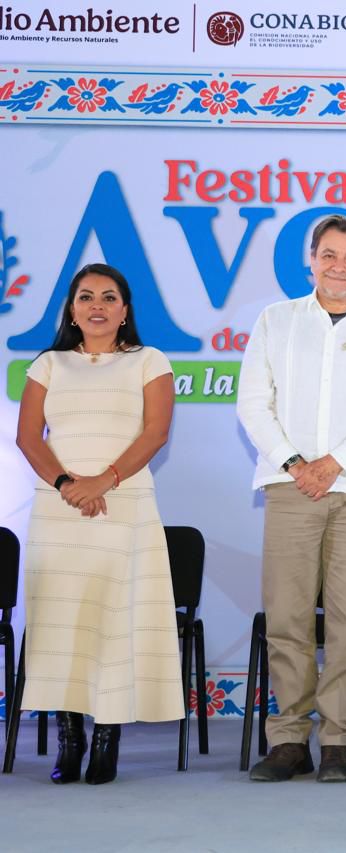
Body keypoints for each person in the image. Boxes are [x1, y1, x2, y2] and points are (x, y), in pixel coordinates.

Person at [237, 214, 346, 783]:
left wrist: (333, 464)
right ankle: (289, 741)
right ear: (310, 259)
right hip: (291, 488)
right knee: (287, 618)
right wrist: (296, 464)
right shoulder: (276, 321)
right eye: (329, 255)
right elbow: (253, 403)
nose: (339, 266)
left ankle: (338, 739)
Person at [14, 262, 183, 785]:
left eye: (109, 297)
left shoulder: (149, 361)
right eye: (86, 297)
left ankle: (107, 739)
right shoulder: (48, 364)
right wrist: (69, 484)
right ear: (71, 310)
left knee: (114, 620)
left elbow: (155, 433)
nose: (97, 306)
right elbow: (28, 437)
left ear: (125, 310)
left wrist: (103, 481)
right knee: (62, 623)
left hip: (123, 505)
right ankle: (70, 740)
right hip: (60, 509)